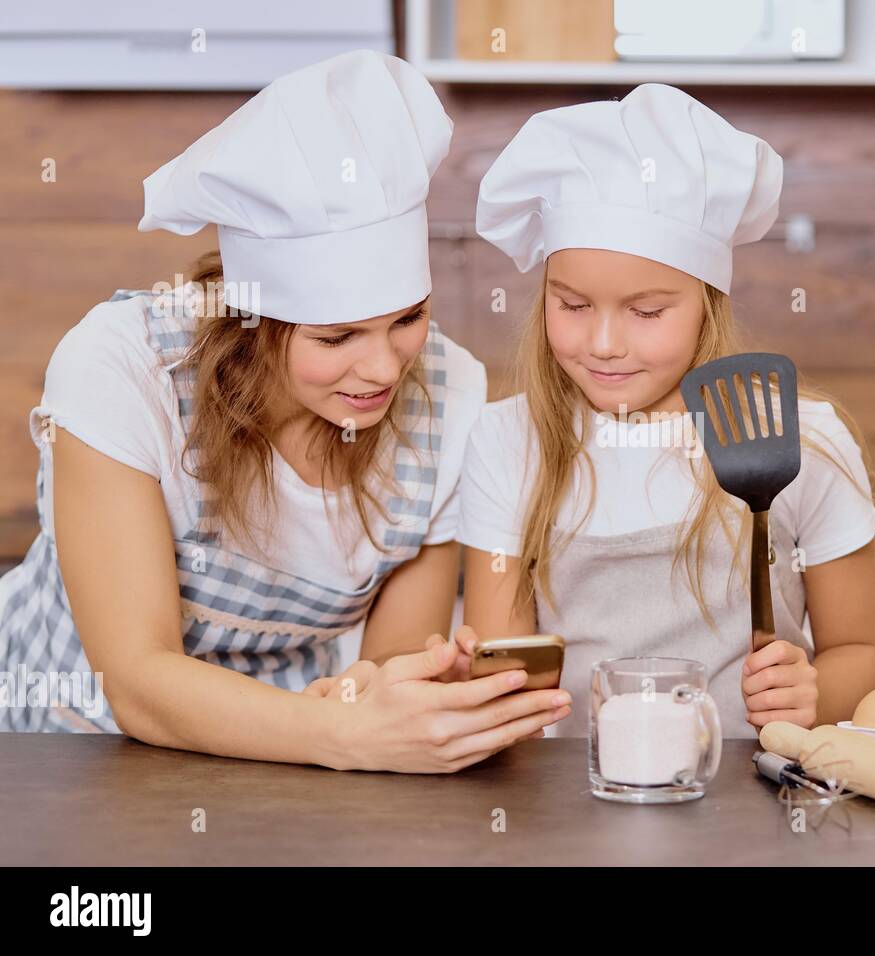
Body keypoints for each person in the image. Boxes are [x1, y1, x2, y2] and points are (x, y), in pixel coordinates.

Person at [0, 50, 571, 771]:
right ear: (253, 320)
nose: (386, 367)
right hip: (56, 750)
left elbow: (390, 659)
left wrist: (387, 692)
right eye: (337, 337)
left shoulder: (448, 389)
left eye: (408, 318)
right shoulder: (123, 367)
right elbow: (139, 680)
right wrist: (350, 735)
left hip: (283, 758)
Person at [456, 84, 875, 738]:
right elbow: (510, 671)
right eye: (572, 305)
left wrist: (815, 694)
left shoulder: (802, 443)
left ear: (708, 305)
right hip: (578, 804)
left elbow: (863, 651)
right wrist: (484, 684)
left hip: (755, 804)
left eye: (647, 312)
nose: (603, 343)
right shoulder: (506, 442)